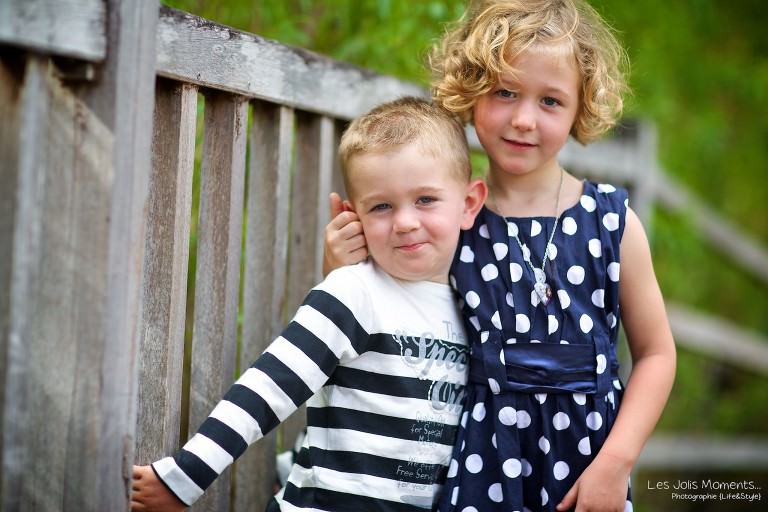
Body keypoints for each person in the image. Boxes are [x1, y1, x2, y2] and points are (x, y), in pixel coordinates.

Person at [322, 1, 677, 511]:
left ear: (581, 107)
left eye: (551, 101)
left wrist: (616, 462)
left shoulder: (611, 221)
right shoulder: (448, 222)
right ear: (471, 89)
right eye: (505, 92)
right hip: (481, 466)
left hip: (589, 466)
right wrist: (341, 271)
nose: (524, 119)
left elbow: (657, 354)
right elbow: (389, 320)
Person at [130, 96, 487, 512]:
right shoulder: (355, 293)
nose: (405, 221)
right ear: (354, 217)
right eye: (381, 206)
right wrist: (184, 478)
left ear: (468, 204)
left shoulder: (474, 307)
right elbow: (268, 387)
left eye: (425, 199)